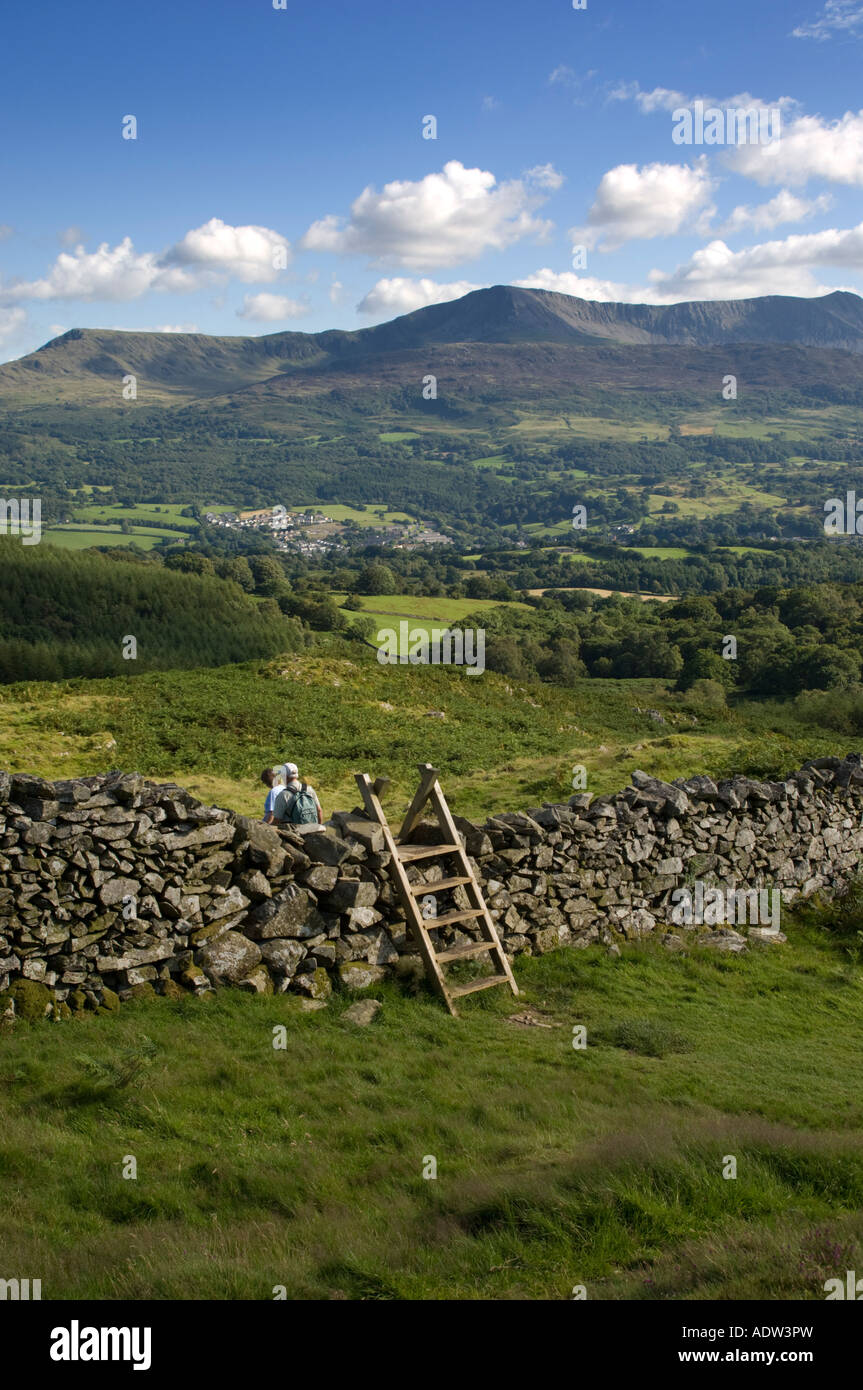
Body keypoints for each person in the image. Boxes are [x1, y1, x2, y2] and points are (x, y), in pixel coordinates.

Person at [278, 762, 324, 827]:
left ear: (285, 776)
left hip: (295, 832)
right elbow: (319, 810)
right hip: (313, 830)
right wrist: (319, 827)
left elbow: (277, 819)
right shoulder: (309, 789)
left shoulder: (283, 794)